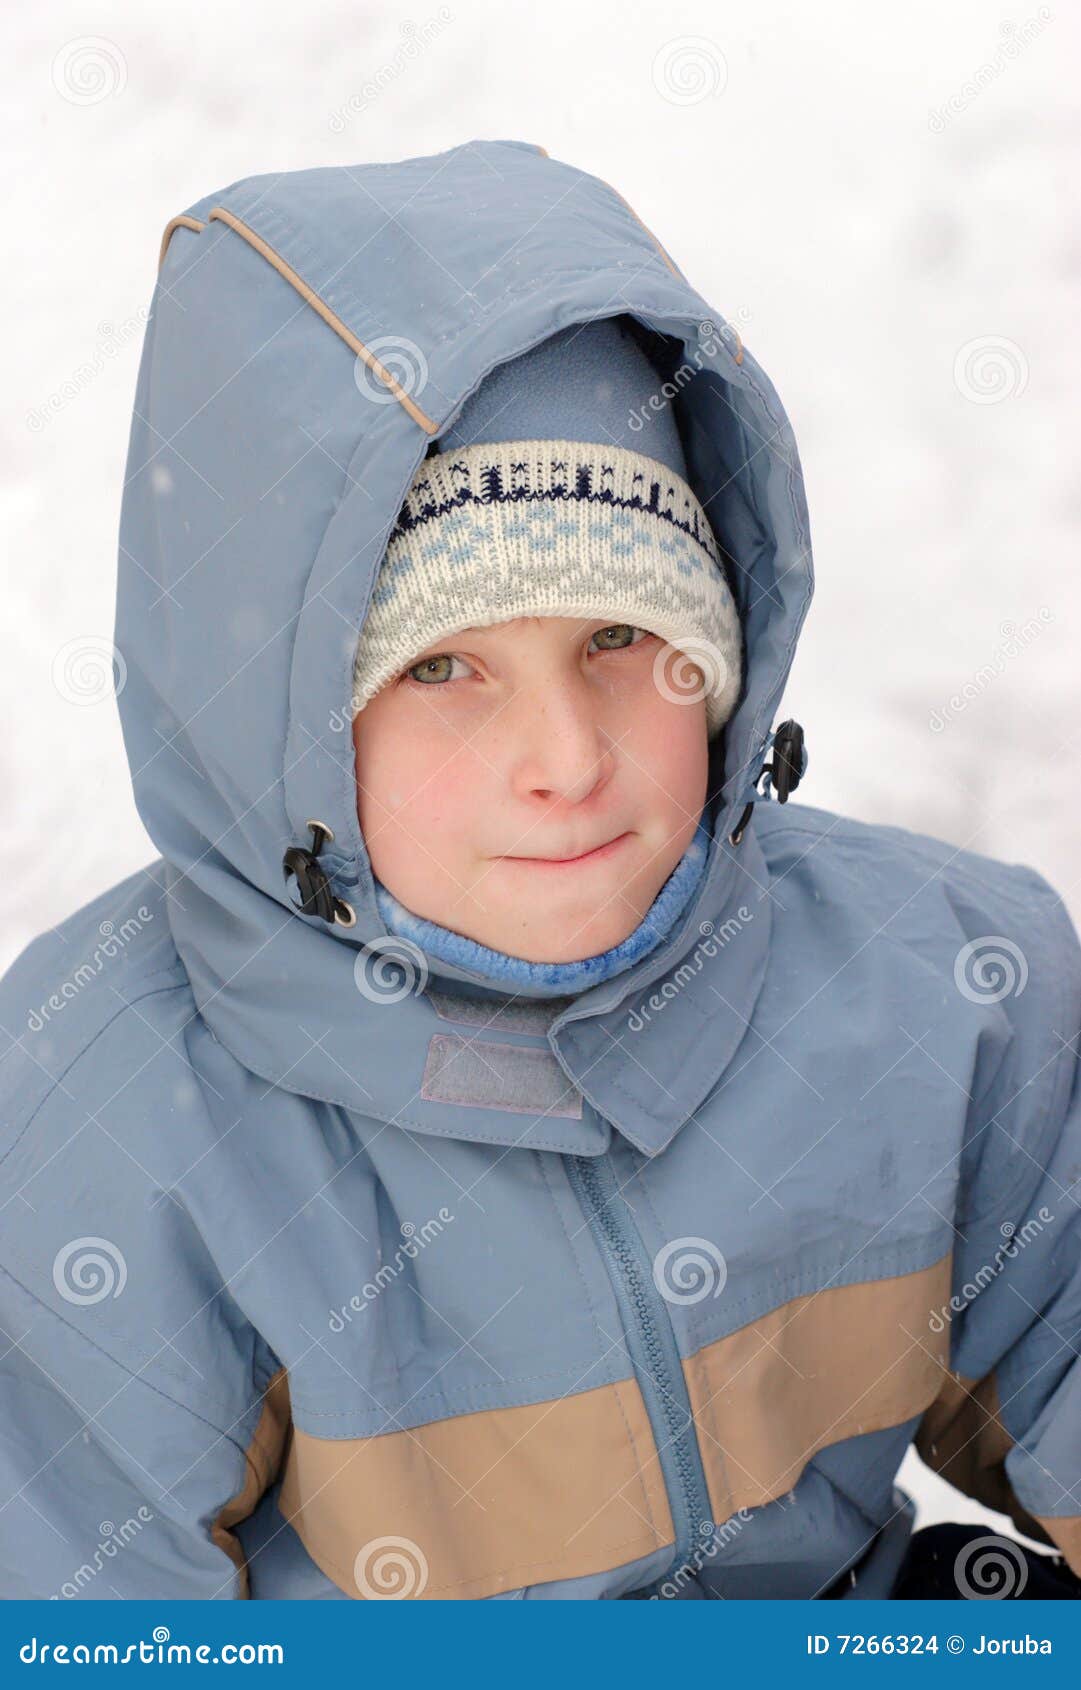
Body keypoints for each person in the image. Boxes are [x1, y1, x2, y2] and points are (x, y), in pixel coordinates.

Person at [1, 140, 1078, 1602]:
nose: (566, 758)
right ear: (279, 736)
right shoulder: (114, 1127)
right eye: (443, 669)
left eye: (622, 641)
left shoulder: (936, 985)